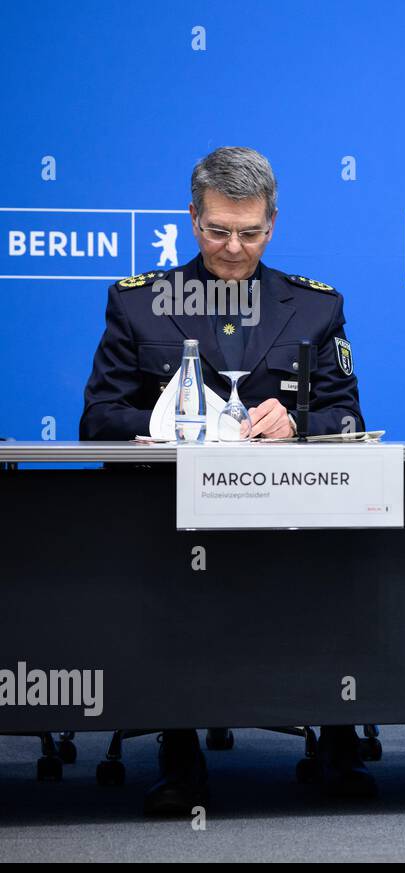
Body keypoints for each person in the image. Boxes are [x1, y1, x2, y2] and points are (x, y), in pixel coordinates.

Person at [79, 146, 374, 813]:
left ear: (273, 224)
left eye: (249, 232)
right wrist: (168, 423)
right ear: (191, 219)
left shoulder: (314, 307)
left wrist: (298, 423)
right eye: (217, 230)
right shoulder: (139, 303)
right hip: (175, 515)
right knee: (173, 588)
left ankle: (339, 734)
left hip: (289, 518)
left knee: (349, 559)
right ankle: (179, 753)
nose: (233, 247)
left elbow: (348, 412)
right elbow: (99, 417)